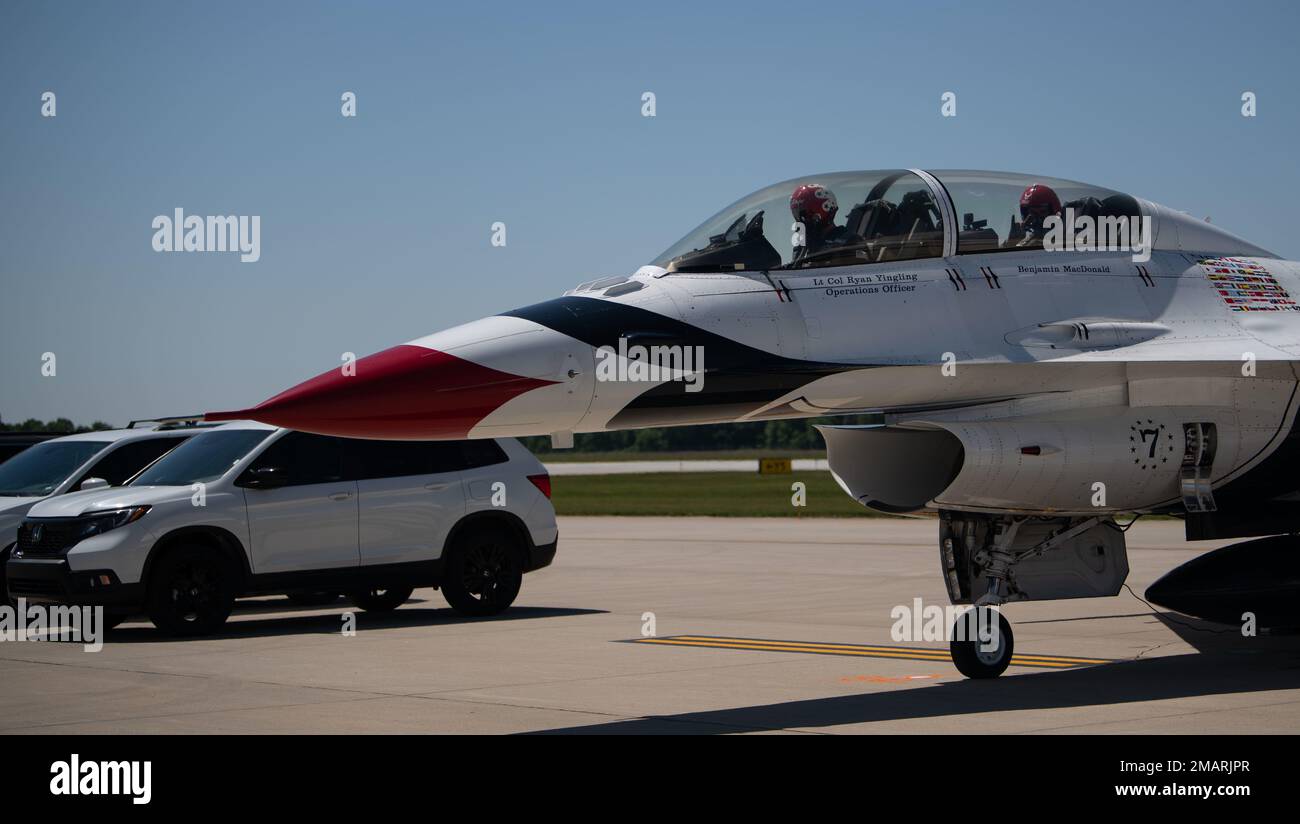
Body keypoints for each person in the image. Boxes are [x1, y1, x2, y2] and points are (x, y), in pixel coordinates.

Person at [789, 183, 854, 263]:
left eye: (804, 215)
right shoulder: (804, 247)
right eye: (796, 215)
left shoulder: (848, 243)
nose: (800, 221)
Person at [1006, 183, 1062, 249]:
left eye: (1040, 212)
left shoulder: (1070, 243)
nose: (1032, 218)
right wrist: (1010, 245)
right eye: (1029, 213)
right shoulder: (1025, 244)